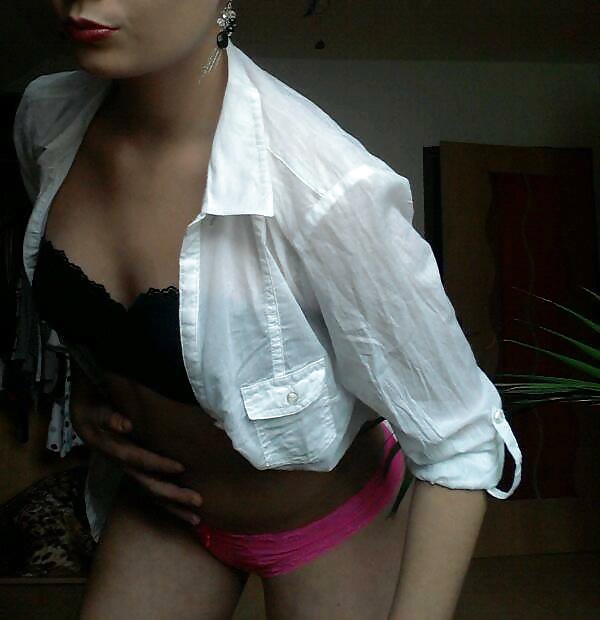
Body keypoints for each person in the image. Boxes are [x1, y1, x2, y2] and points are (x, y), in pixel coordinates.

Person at [14, 1, 522, 618]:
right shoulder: (47, 119)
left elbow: (460, 442)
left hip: (326, 524)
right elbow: (93, 310)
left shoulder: (325, 191)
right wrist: (92, 398)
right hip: (166, 510)